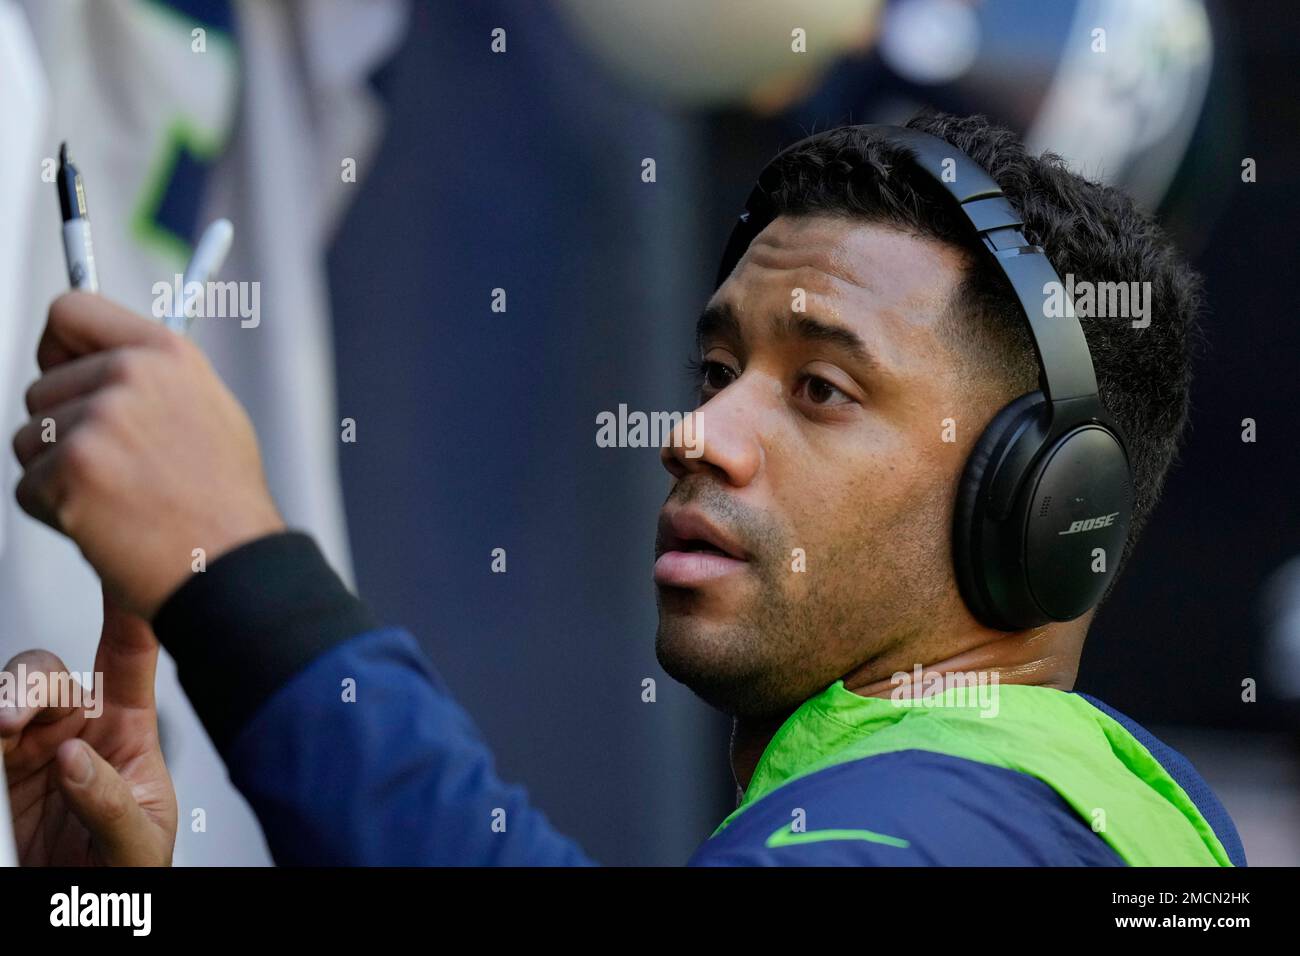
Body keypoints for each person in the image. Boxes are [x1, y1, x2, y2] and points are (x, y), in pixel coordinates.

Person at [1, 113, 1245, 866]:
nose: (697, 430)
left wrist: (235, 560)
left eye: (820, 388)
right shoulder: (1108, 807)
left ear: (1040, 502)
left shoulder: (919, 828)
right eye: (713, 368)